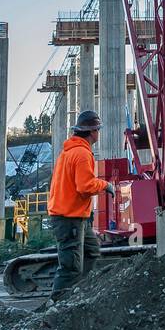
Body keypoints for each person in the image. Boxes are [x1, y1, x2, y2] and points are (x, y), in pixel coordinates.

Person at [47, 110, 113, 302]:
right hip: (69, 219)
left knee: (91, 250)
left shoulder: (69, 151)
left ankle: (77, 294)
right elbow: (85, 187)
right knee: (70, 267)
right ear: (92, 132)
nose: (98, 134)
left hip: (75, 217)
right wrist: (105, 185)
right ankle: (56, 305)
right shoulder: (82, 154)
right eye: (97, 130)